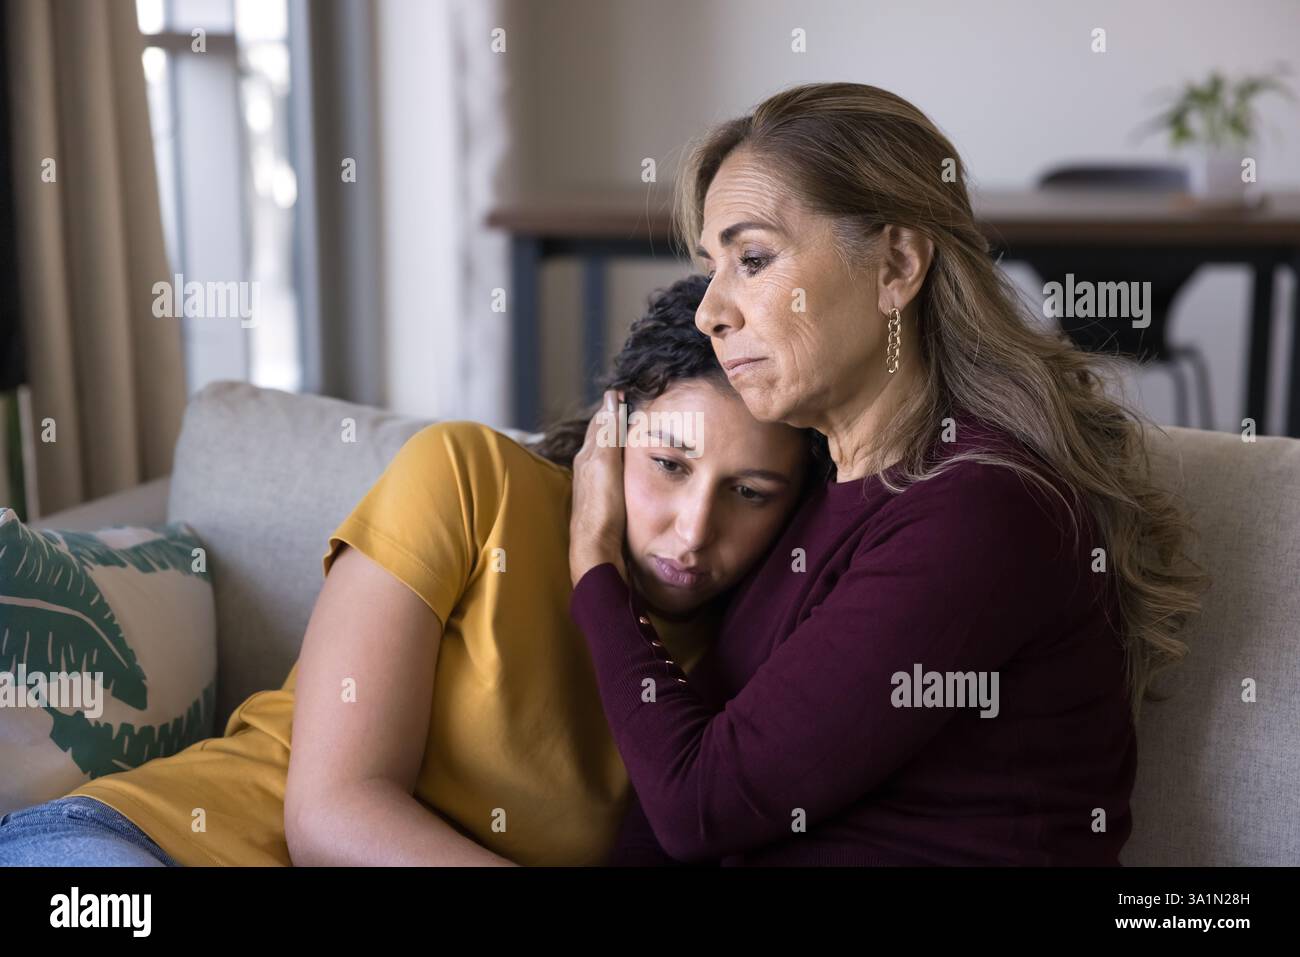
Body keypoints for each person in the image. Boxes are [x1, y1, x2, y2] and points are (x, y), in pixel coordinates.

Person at [567, 82, 1211, 866]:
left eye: (755, 259)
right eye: (713, 267)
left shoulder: (981, 510)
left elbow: (701, 804)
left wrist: (594, 562)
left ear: (896, 265)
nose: (710, 311)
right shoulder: (804, 488)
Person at [0, 275, 816, 866]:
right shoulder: (474, 480)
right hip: (135, 848)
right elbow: (331, 816)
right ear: (614, 429)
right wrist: (589, 546)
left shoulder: (752, 657)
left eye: (749, 492)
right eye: (670, 463)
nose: (695, 527)